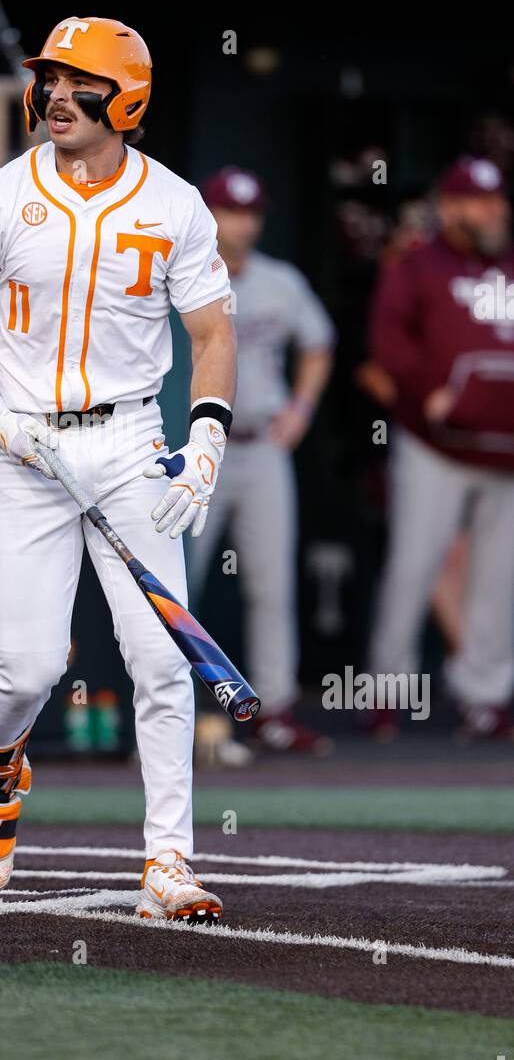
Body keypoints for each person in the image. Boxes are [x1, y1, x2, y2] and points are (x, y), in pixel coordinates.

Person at [0, 16, 237, 922]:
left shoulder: (174, 204)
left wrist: (205, 440)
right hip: (23, 450)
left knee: (164, 658)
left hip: (131, 442)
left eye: (77, 80)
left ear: (123, 98)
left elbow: (211, 333)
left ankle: (168, 861)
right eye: (48, 77)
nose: (56, 93)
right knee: (27, 666)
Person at [188, 167, 335, 754]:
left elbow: (320, 345)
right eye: (230, 211)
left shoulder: (281, 281)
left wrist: (299, 409)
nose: (241, 223)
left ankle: (273, 709)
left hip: (259, 443)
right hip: (198, 446)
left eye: (250, 212)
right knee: (179, 584)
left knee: (272, 584)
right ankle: (169, 713)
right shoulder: (182, 273)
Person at [367, 156, 514, 739]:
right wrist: (428, 391)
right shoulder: (419, 264)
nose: (491, 210)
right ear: (449, 208)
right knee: (413, 564)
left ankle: (484, 695)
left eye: (496, 199)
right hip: (435, 444)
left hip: (506, 448)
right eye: (476, 201)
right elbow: (387, 338)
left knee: (499, 576)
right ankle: (387, 691)